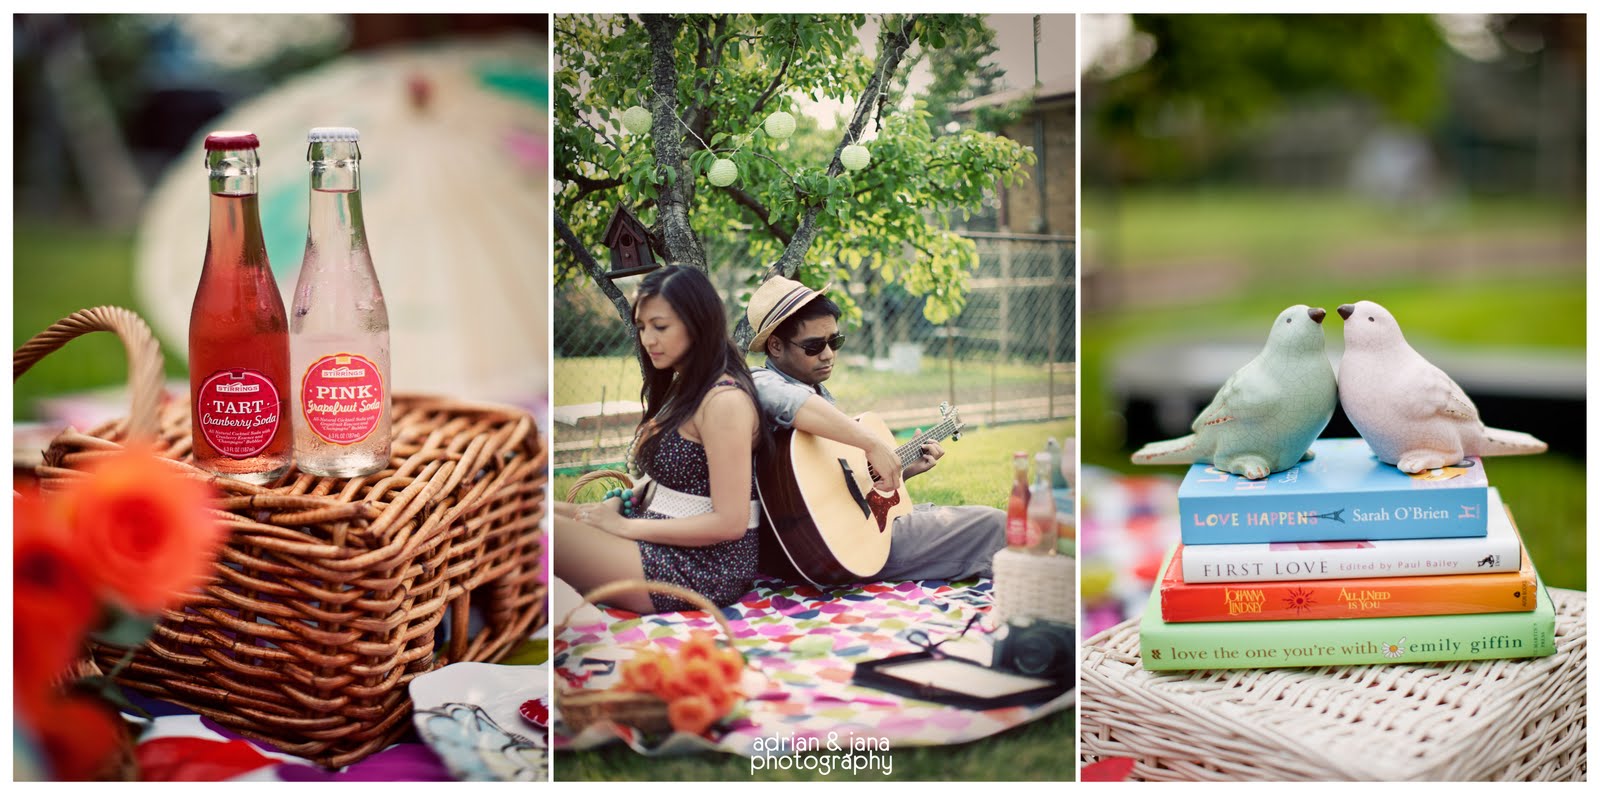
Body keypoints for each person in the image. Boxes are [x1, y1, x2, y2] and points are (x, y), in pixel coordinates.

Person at [744, 275, 1007, 584]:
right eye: (814, 346)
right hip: (824, 548)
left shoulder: (816, 395)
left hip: (846, 538)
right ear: (775, 345)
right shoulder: (760, 382)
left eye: (835, 341)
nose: (828, 354)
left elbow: (833, 490)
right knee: (994, 525)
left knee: (975, 519)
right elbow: (791, 403)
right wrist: (873, 444)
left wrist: (899, 470)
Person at [555, 266, 769, 613]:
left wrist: (625, 528)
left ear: (698, 324)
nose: (647, 339)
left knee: (540, 531)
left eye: (660, 327)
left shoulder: (724, 402)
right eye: (642, 327)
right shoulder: (685, 384)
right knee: (532, 510)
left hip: (702, 569)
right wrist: (625, 501)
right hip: (658, 533)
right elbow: (680, 476)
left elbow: (731, 523)